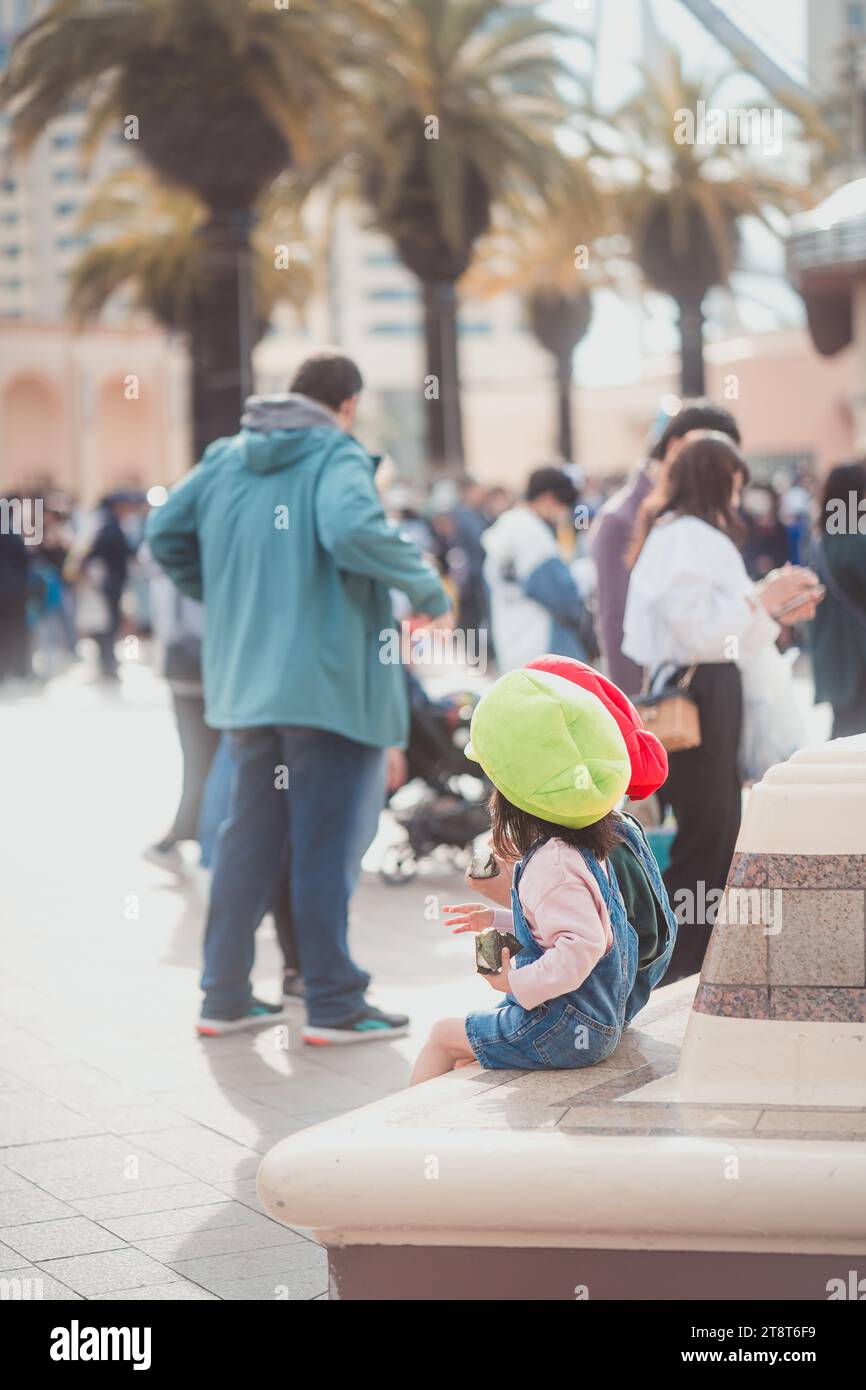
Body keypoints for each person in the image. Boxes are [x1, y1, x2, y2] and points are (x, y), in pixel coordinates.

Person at [147, 349, 450, 1039]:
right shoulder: (337, 455)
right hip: (328, 688)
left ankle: (223, 996)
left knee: (246, 840)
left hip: (248, 689)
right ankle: (335, 1003)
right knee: (324, 844)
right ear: (347, 405)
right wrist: (428, 587)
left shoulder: (227, 456)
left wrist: (225, 595)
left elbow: (164, 534)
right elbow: (350, 531)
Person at [409, 666, 677, 1083]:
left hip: (567, 1029)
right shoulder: (584, 844)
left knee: (442, 1036)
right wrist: (495, 919)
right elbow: (581, 924)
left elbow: (579, 947)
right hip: (599, 1015)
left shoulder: (551, 863)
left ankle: (402, 1142)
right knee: (467, 1057)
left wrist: (511, 981)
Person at [623, 433, 822, 981]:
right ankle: (683, 964)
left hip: (706, 688)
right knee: (708, 831)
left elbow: (711, 623)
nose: (738, 498)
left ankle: (689, 959)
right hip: (703, 690)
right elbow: (699, 629)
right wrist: (764, 596)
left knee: (711, 828)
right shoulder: (688, 536)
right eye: (734, 484)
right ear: (717, 480)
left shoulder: (678, 534)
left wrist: (769, 604)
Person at [590, 401, 741, 696]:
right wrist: (635, 712)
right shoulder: (621, 518)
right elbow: (615, 621)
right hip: (661, 700)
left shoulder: (691, 509)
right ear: (675, 446)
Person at [482, 465, 592, 672]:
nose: (564, 514)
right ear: (548, 498)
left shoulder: (505, 526)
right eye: (564, 505)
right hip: (543, 643)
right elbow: (564, 598)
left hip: (512, 640)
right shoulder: (532, 534)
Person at [810, 460, 866, 737]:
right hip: (859, 658)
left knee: (843, 736)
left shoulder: (819, 541)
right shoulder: (858, 542)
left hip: (832, 657)